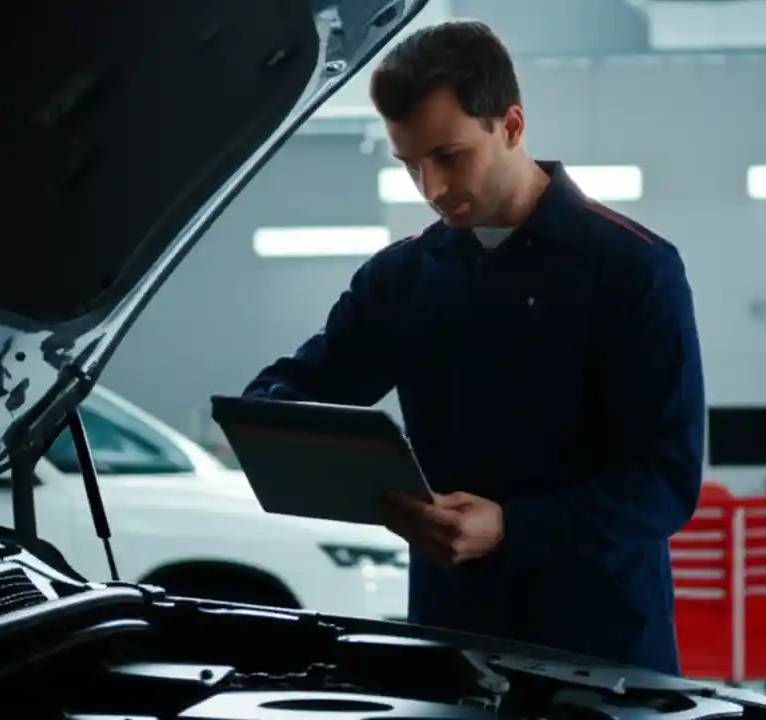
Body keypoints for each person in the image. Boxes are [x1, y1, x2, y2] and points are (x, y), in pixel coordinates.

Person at [243, 20, 704, 675]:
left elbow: (664, 483)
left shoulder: (634, 269)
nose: (431, 188)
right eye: (410, 164)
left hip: (599, 647)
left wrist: (513, 527)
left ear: (511, 125)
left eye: (449, 155)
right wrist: (354, 476)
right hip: (449, 640)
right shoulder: (400, 278)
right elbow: (287, 394)